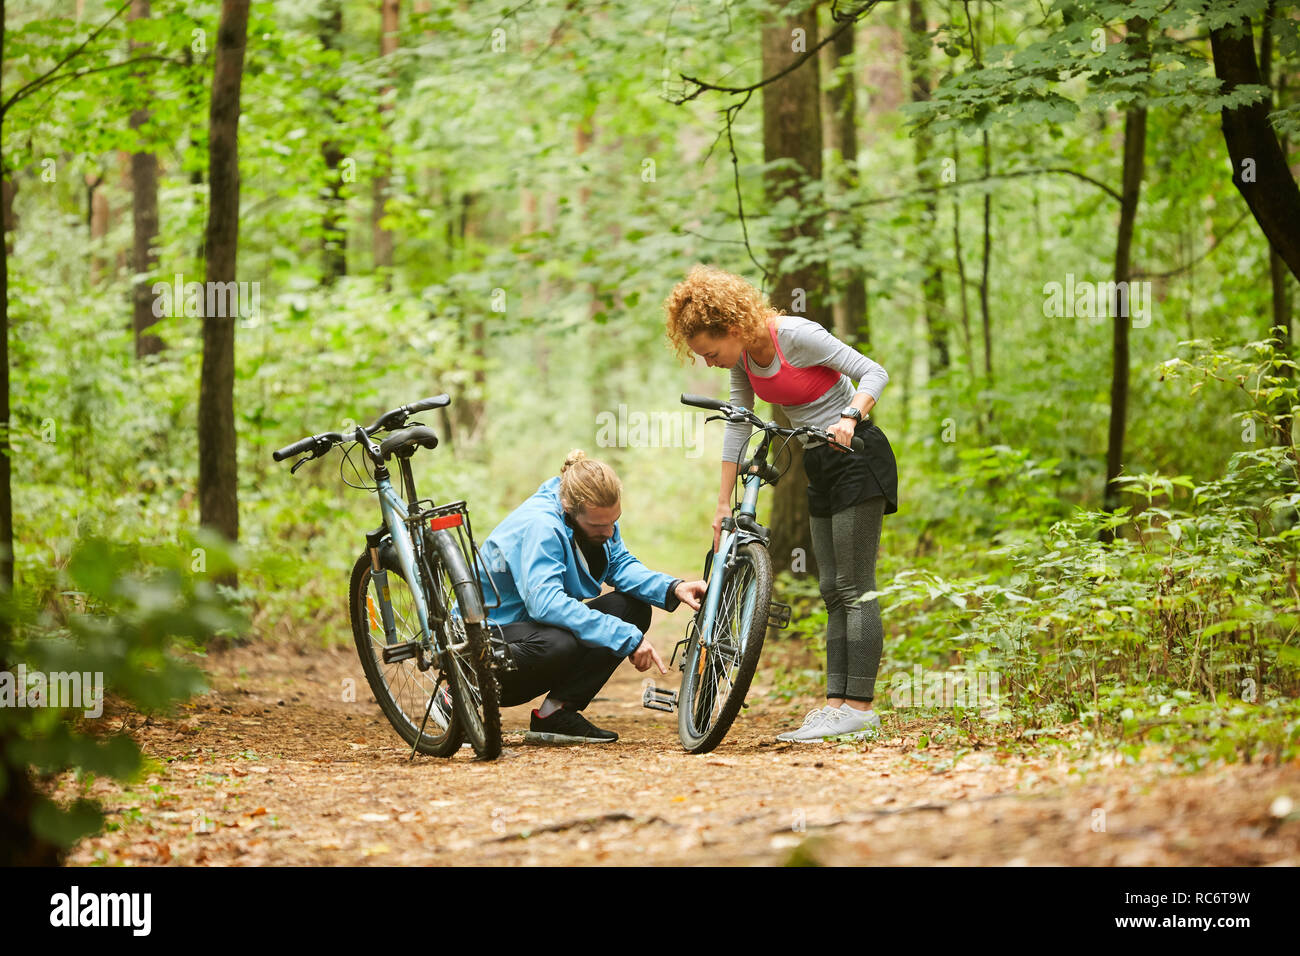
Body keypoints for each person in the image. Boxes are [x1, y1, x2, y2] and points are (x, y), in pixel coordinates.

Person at [663, 264, 898, 743]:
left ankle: (861, 707)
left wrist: (851, 415)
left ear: (732, 328)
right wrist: (722, 503)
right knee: (831, 588)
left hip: (858, 455)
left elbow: (873, 371)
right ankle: (837, 708)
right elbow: (737, 422)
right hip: (818, 463)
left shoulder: (794, 335)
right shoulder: (743, 361)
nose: (709, 363)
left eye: (710, 352)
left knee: (855, 586)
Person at [476, 450, 707, 745]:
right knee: (560, 642)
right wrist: (625, 637)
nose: (609, 532)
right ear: (569, 509)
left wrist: (673, 587)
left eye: (614, 522)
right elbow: (544, 603)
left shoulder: (597, 519)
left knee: (631, 609)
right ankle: (461, 693)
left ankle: (556, 714)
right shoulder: (541, 526)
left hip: (530, 632)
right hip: (488, 640)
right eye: (599, 527)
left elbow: (619, 564)